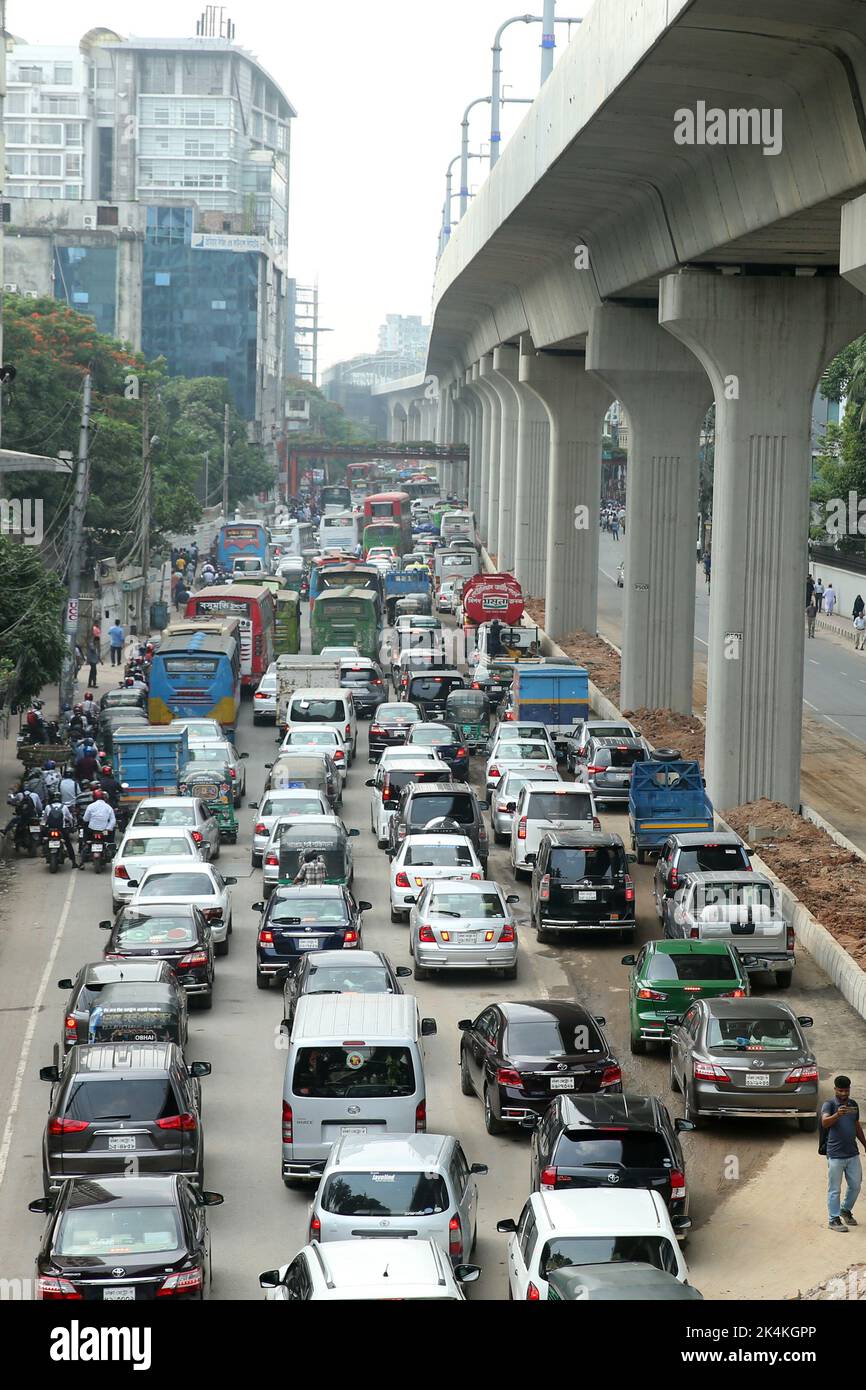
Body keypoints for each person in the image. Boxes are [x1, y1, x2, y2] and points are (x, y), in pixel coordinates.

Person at [821, 1075, 866, 1232]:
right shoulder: (829, 1105)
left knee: (855, 1185)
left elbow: (856, 1126)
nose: (844, 1094)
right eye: (840, 1091)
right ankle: (833, 1219)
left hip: (852, 1154)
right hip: (835, 1155)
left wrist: (865, 1144)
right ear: (835, 1090)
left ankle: (845, 1209)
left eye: (846, 1091)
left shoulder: (853, 1105)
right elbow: (825, 1122)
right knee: (835, 1189)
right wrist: (837, 1115)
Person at [80, 789, 117, 865]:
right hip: (104, 831)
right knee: (111, 837)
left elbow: (85, 819)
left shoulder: (90, 806)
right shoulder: (108, 807)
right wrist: (108, 829)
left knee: (85, 841)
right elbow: (113, 820)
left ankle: (81, 863)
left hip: (92, 831)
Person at [43, 794, 77, 866]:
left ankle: (44, 852)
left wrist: (44, 825)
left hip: (50, 829)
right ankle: (74, 862)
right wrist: (72, 825)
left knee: (44, 840)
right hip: (61, 829)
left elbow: (44, 819)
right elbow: (70, 818)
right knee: (68, 844)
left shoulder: (48, 807)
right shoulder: (64, 807)